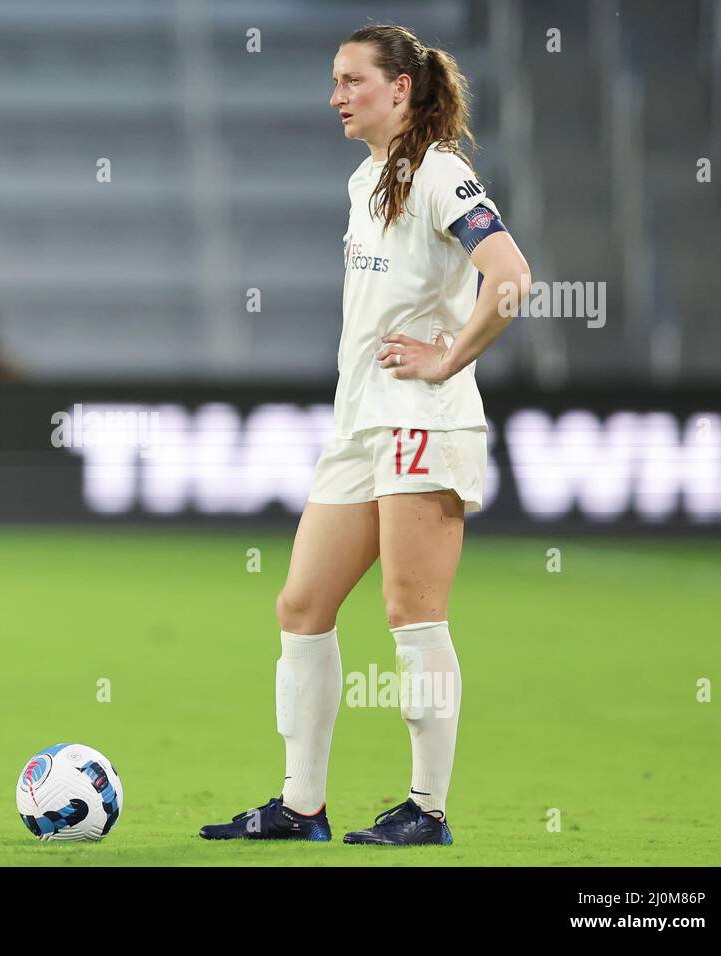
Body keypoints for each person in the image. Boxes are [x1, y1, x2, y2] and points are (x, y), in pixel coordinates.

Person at [199, 24, 530, 846]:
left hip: (423, 422)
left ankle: (427, 809)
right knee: (302, 604)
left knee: (411, 613)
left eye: (351, 80)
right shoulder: (368, 178)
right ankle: (300, 807)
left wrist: (449, 357)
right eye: (335, 80)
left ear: (400, 89)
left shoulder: (441, 174)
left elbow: (513, 278)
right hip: (358, 425)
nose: (336, 95)